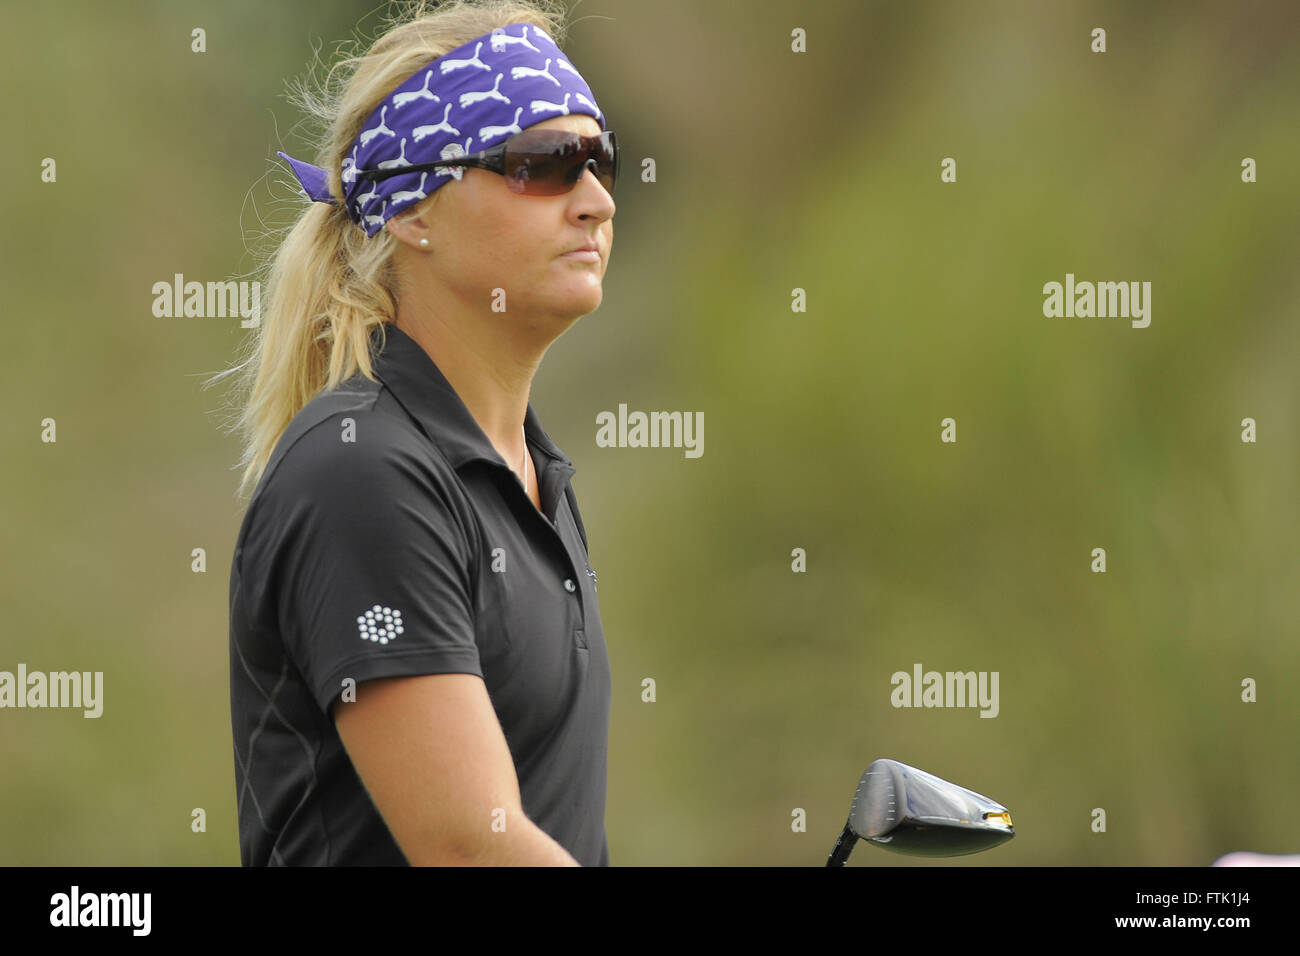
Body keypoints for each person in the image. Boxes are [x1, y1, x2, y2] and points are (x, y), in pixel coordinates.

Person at [214, 0, 617, 865]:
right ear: (412, 212)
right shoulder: (362, 472)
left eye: (600, 160)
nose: (593, 200)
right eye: (544, 163)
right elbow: (471, 846)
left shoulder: (533, 480)